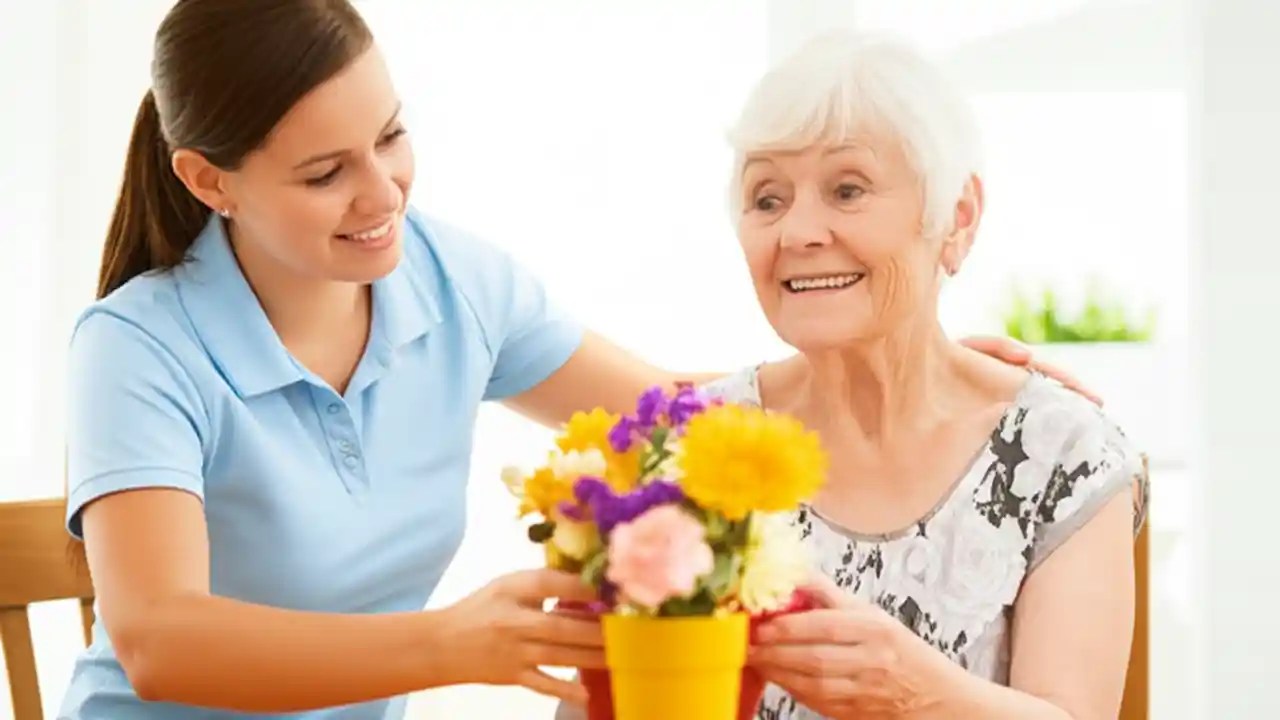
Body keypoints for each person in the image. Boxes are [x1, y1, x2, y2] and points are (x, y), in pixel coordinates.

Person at [62, 2, 1095, 718]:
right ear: (209, 180)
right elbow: (160, 640)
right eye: (327, 172)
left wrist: (909, 351)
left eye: (391, 137)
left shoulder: (445, 280)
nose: (383, 193)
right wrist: (455, 643)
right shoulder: (138, 347)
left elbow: (666, 413)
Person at [699, 33, 1149, 720]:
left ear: (956, 217)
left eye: (847, 189)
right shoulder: (691, 446)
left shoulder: (1062, 455)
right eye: (767, 199)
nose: (798, 231)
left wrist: (915, 689)